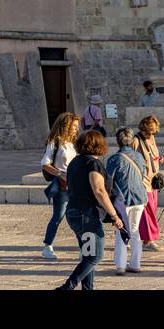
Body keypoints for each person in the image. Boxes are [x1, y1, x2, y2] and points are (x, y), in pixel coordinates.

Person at [57, 129, 123, 290]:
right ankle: (67, 287)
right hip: (86, 215)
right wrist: (115, 215)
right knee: (94, 256)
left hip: (74, 212)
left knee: (88, 255)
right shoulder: (93, 164)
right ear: (99, 145)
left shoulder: (74, 162)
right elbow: (99, 191)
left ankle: (88, 288)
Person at [106, 127, 148, 274]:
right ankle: (135, 263)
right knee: (135, 230)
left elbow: (108, 182)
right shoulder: (139, 157)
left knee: (121, 231)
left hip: (121, 199)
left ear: (117, 141)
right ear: (132, 141)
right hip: (139, 198)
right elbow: (143, 174)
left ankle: (121, 265)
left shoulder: (114, 159)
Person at [40, 112, 80, 260]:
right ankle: (47, 246)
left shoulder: (73, 143)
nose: (76, 129)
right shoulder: (55, 142)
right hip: (63, 185)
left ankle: (83, 246)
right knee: (58, 215)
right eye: (74, 126)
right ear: (66, 125)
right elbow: (45, 163)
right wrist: (59, 174)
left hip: (75, 184)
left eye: (77, 126)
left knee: (77, 215)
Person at [131, 115, 164, 251]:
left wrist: (159, 159)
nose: (151, 134)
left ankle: (144, 238)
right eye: (149, 131)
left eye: (153, 132)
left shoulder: (152, 138)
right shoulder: (135, 140)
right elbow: (130, 157)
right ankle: (147, 240)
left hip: (153, 181)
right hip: (143, 181)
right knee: (147, 211)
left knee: (152, 210)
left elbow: (153, 154)